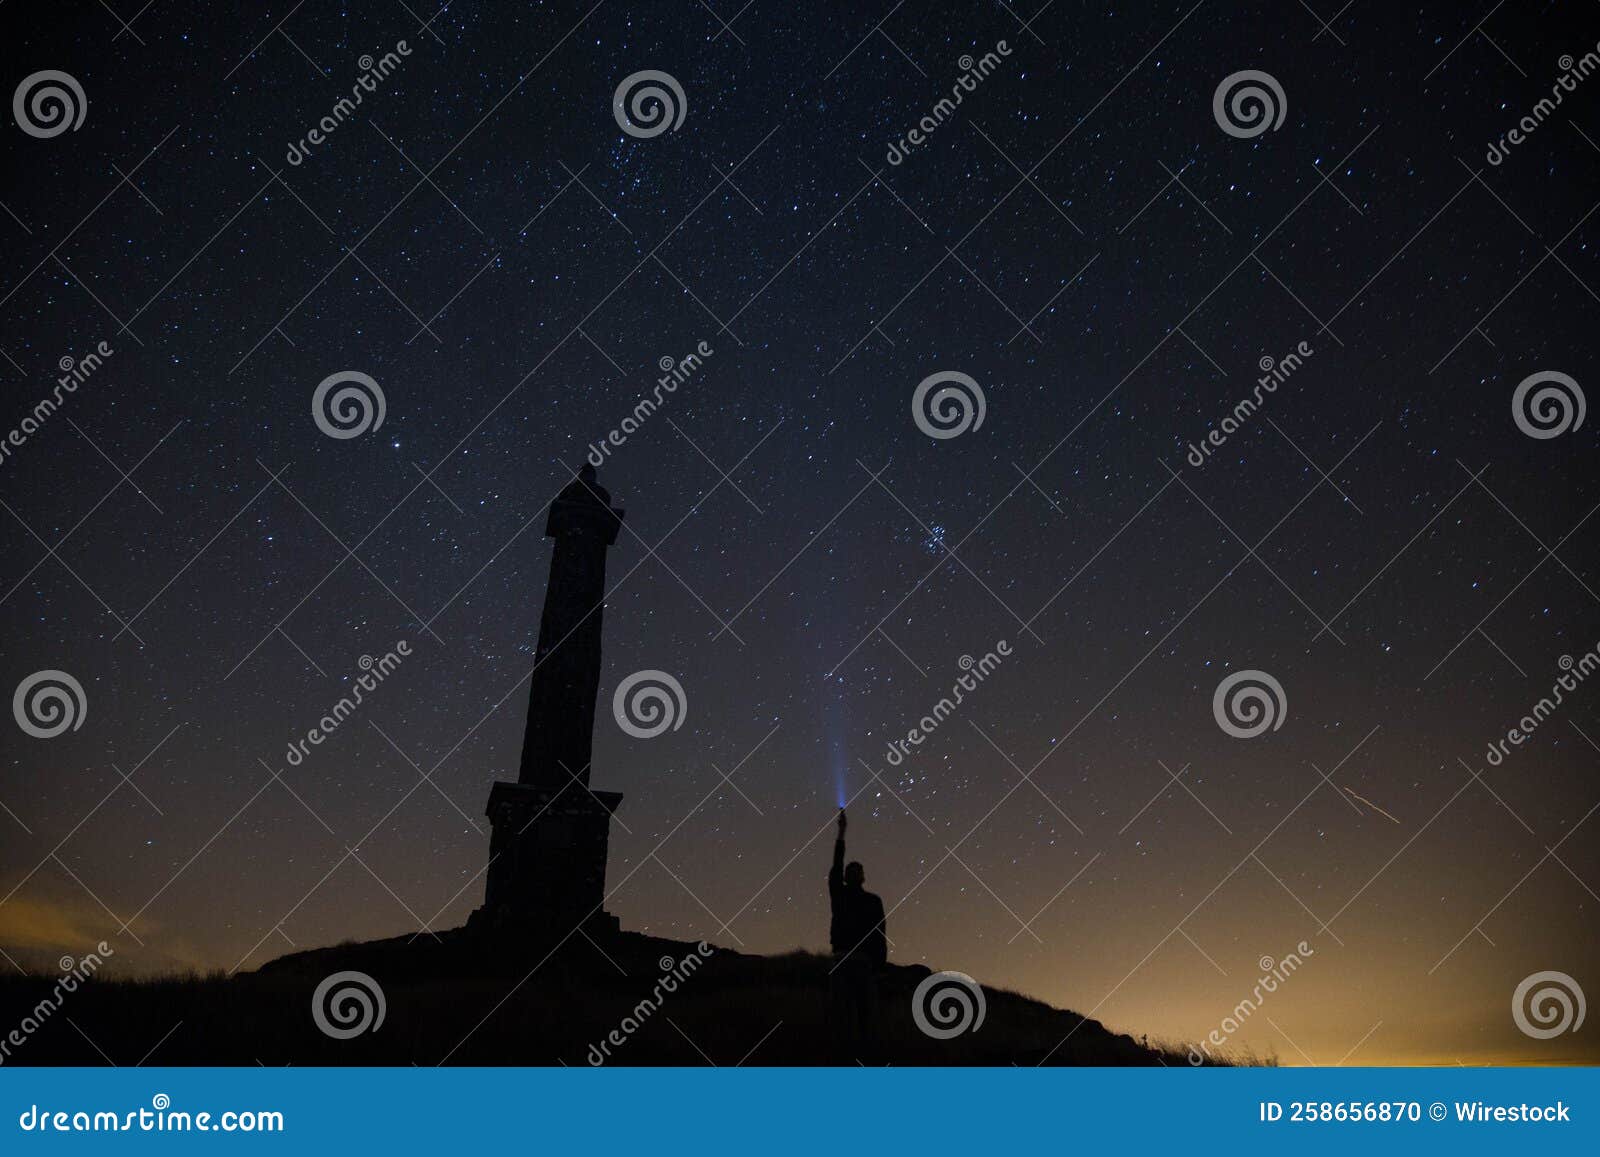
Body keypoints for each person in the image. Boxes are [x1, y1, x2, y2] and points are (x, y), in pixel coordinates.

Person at [827, 808, 886, 1044]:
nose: (853, 874)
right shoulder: (839, 894)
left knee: (864, 1017)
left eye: (857, 871)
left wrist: (878, 966)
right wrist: (841, 833)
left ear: (863, 876)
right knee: (842, 1016)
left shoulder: (873, 901)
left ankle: (863, 1055)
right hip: (842, 960)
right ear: (846, 877)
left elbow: (880, 934)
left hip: (863, 963)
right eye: (850, 871)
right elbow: (836, 865)